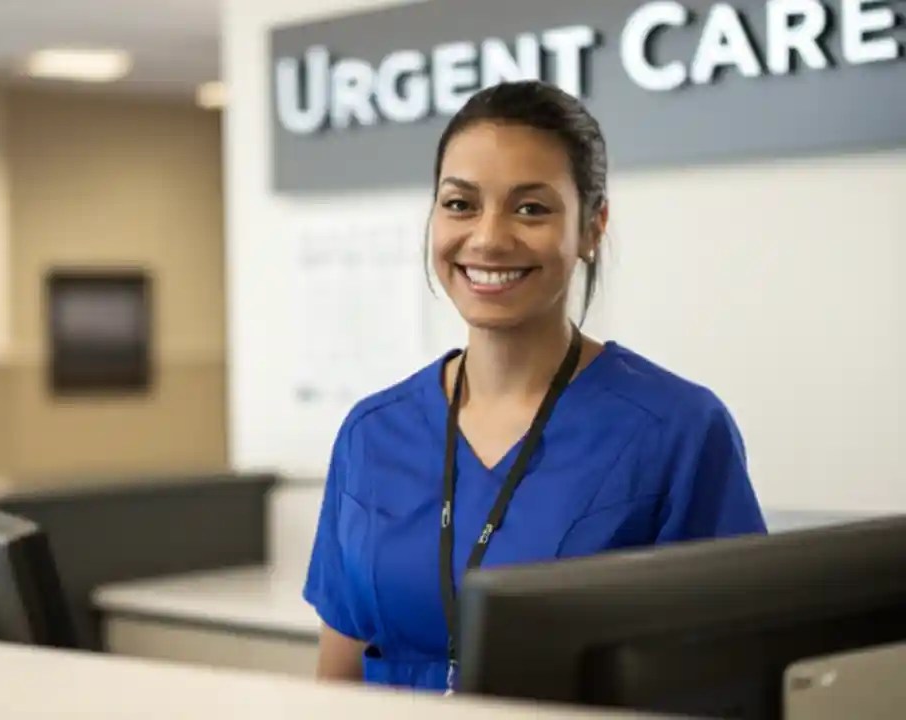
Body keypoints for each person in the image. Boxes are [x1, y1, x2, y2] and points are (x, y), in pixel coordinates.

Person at [302, 80, 767, 694]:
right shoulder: (372, 433)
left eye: (531, 208)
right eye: (461, 204)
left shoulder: (676, 430)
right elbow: (337, 677)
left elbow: (728, 680)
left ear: (592, 227)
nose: (489, 238)